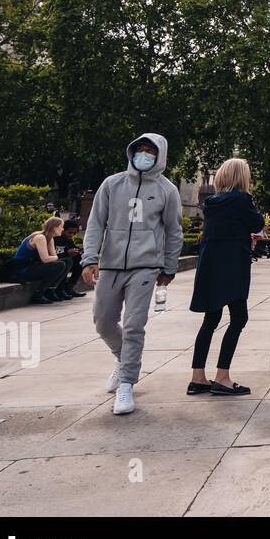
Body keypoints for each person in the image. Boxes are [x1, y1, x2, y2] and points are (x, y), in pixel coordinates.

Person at [82, 133, 184, 416]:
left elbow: (174, 231)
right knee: (102, 322)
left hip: (145, 266)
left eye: (149, 150)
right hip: (110, 265)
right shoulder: (112, 184)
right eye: (139, 149)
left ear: (159, 155)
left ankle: (127, 382)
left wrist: (169, 268)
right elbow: (95, 223)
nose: (143, 154)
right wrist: (89, 258)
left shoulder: (167, 190)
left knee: (134, 324)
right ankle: (121, 359)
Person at [188, 158, 264, 396]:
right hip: (232, 266)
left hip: (210, 266)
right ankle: (223, 376)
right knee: (239, 318)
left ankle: (197, 376)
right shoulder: (241, 200)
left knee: (210, 320)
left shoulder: (212, 203)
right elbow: (258, 223)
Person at [13, 216, 69, 304]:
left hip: (33, 266)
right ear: (55, 227)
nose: (62, 229)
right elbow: (46, 259)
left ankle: (50, 291)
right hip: (22, 270)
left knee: (67, 262)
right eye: (61, 226)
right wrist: (56, 257)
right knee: (60, 265)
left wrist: (55, 257)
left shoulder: (49, 238)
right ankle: (38, 294)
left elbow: (53, 257)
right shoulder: (40, 237)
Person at [53, 218, 85, 298]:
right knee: (67, 261)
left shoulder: (68, 240)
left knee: (80, 259)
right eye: (70, 232)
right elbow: (52, 255)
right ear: (63, 230)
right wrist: (67, 253)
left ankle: (70, 287)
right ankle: (59, 289)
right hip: (55, 263)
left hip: (66, 262)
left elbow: (73, 249)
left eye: (74, 233)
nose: (71, 235)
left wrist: (79, 251)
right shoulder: (54, 239)